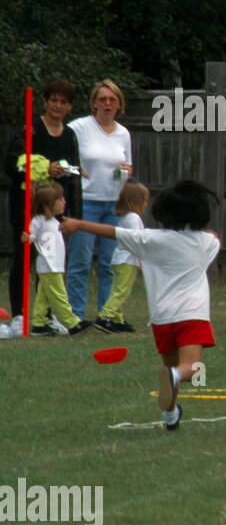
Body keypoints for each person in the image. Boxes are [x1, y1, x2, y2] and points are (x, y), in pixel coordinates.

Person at [62, 180, 221, 430]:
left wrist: (79, 224)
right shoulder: (207, 243)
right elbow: (213, 237)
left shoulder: (150, 240)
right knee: (192, 367)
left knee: (170, 368)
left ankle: (171, 416)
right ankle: (177, 379)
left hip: (161, 317)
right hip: (193, 314)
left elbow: (112, 232)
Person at [5, 79, 80, 321]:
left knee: (50, 262)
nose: (58, 106)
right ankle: (19, 314)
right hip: (27, 205)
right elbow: (10, 166)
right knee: (23, 260)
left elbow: (75, 173)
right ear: (45, 102)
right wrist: (45, 169)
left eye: (64, 102)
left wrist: (74, 214)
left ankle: (44, 315)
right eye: (54, 100)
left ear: (70, 107)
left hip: (55, 209)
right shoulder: (30, 130)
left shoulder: (70, 135)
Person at [66, 79, 132, 321]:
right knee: (80, 262)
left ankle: (107, 314)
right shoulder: (79, 127)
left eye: (112, 99)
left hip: (114, 205)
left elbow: (129, 165)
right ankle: (76, 315)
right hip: (86, 203)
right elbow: (62, 159)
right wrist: (73, 171)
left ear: (119, 105)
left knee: (109, 264)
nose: (107, 103)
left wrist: (126, 170)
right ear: (94, 103)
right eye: (102, 99)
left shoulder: (124, 133)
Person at [20, 184, 92, 335]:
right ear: (47, 204)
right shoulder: (38, 220)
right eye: (59, 199)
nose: (64, 202)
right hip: (48, 265)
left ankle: (39, 324)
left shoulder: (54, 221)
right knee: (59, 295)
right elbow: (30, 237)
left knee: (43, 296)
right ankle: (72, 322)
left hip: (56, 265)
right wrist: (27, 238)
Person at [95, 180, 149, 333]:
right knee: (122, 291)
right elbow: (136, 241)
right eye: (144, 201)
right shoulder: (134, 219)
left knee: (116, 289)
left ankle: (117, 319)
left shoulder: (125, 218)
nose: (146, 204)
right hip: (128, 260)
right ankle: (105, 316)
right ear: (136, 202)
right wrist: (142, 261)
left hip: (118, 258)